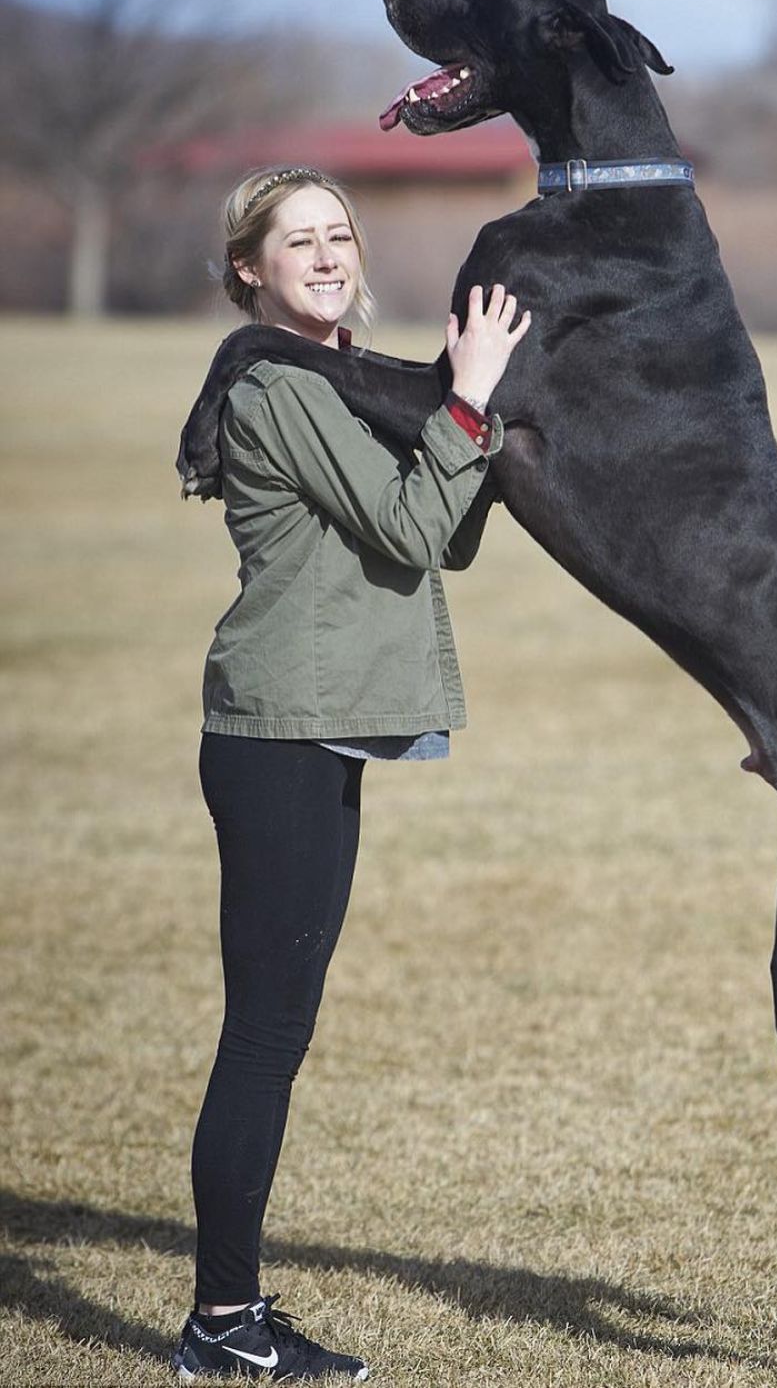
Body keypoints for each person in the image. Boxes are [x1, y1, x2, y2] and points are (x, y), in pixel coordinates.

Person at [171, 165, 531, 1383]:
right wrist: (468, 401)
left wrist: (458, 411)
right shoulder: (278, 382)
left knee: (279, 1027)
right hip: (280, 731)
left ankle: (227, 1317)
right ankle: (222, 1325)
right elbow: (416, 525)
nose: (326, 255)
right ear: (249, 272)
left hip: (317, 726)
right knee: (264, 1034)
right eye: (297, 241)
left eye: (339, 234)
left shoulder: (340, 377)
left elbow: (454, 525)